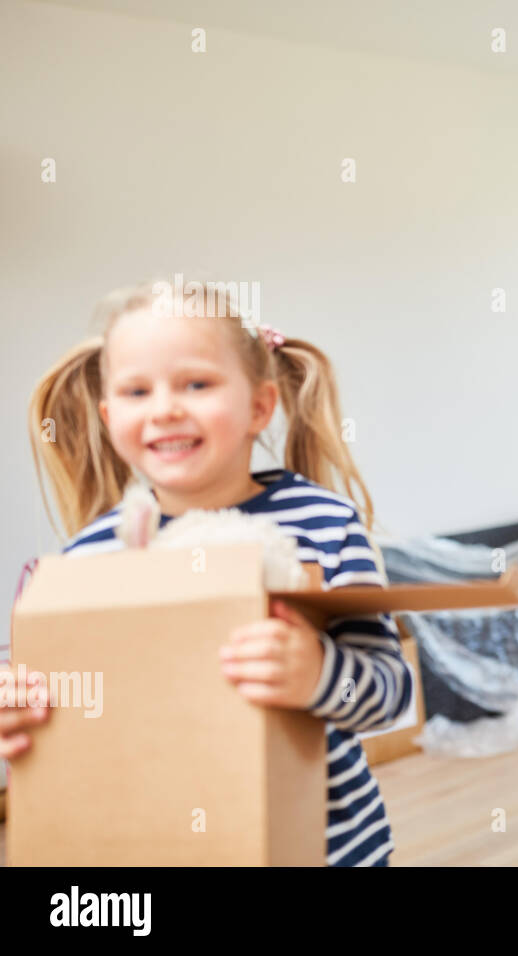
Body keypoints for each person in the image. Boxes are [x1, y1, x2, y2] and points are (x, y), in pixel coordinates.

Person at [4, 279, 413, 867]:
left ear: (260, 406)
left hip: (329, 851)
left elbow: (389, 691)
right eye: (136, 391)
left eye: (196, 384)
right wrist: (21, 706)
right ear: (108, 413)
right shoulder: (88, 559)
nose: (165, 408)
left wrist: (319, 674)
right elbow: (65, 704)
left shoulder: (323, 526)